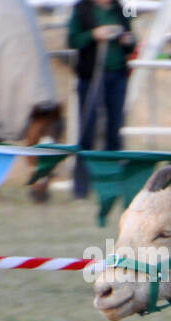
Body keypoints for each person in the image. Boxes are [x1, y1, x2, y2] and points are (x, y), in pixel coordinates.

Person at [68, 0, 137, 199]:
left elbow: (132, 40)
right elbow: (72, 40)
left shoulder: (122, 9)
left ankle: (111, 185)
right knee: (87, 132)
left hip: (117, 77)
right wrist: (93, 35)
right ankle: (81, 187)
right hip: (91, 78)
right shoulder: (81, 9)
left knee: (114, 132)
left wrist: (127, 41)